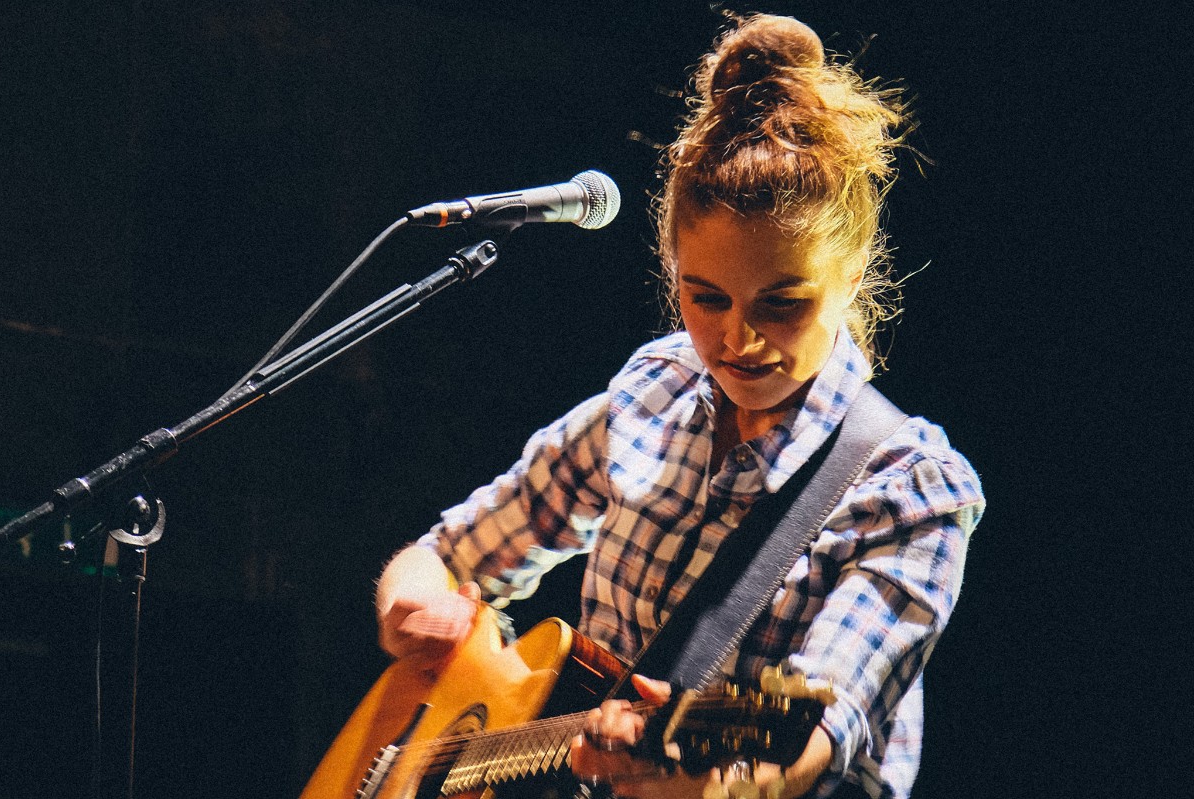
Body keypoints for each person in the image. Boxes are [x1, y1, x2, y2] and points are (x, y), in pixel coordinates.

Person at [374, 13, 984, 799]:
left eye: (782, 303)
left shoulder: (907, 488)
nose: (739, 339)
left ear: (854, 269)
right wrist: (412, 604)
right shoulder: (652, 391)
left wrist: (721, 784)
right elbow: (447, 555)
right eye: (706, 297)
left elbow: (810, 740)